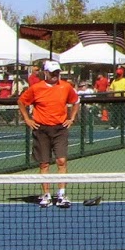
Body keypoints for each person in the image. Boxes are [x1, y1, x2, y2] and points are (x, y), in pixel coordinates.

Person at [18, 60, 80, 207]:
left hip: (60, 129)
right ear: (45, 73)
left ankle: (61, 195)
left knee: (61, 161)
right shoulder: (36, 88)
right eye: (52, 72)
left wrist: (71, 118)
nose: (55, 75)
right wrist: (27, 119)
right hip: (41, 130)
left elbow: (76, 101)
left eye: (57, 72)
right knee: (44, 163)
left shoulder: (66, 87)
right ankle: (46, 195)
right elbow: (21, 102)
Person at [108, 65, 125, 131]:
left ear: (122, 74)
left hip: (123, 98)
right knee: (115, 112)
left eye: (119, 74)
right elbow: (111, 89)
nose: (118, 75)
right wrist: (110, 96)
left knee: (124, 112)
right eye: (117, 74)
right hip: (115, 98)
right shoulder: (114, 81)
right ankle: (114, 124)